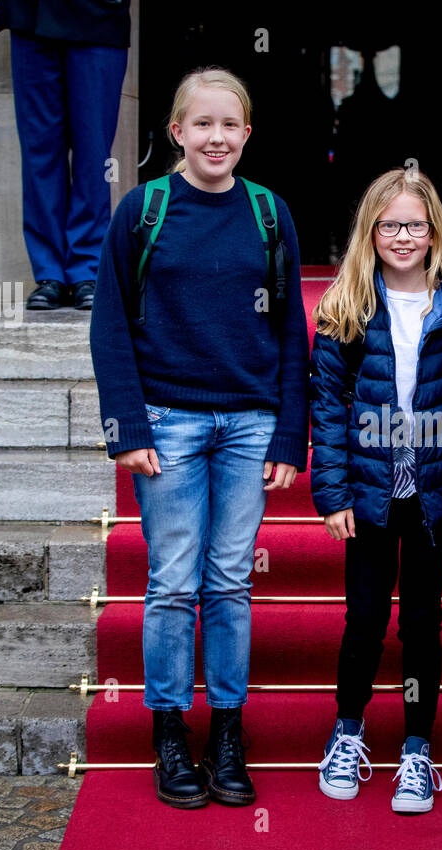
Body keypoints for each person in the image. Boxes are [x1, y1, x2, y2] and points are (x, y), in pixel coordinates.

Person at [88, 68, 309, 809]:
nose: (216, 137)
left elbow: (289, 333)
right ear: (176, 132)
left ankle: (227, 732)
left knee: (230, 584)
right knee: (173, 583)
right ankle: (169, 733)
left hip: (248, 425)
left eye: (230, 125)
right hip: (169, 425)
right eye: (201, 124)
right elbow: (110, 325)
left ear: (247, 134)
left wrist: (288, 435)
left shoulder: (268, 214)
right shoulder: (143, 211)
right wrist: (126, 426)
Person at [309, 168, 442, 814]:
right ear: (372, 232)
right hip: (371, 492)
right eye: (390, 225)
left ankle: (416, 748)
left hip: (433, 493)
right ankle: (347, 732)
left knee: (421, 623)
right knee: (364, 620)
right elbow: (326, 407)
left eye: (414, 224)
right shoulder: (347, 306)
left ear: (434, 230)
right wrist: (332, 494)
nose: (403, 236)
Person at [0, 0, 131, 311]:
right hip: (32, 15)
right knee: (39, 151)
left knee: (93, 154)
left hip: (99, 18)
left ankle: (86, 269)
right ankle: (49, 273)